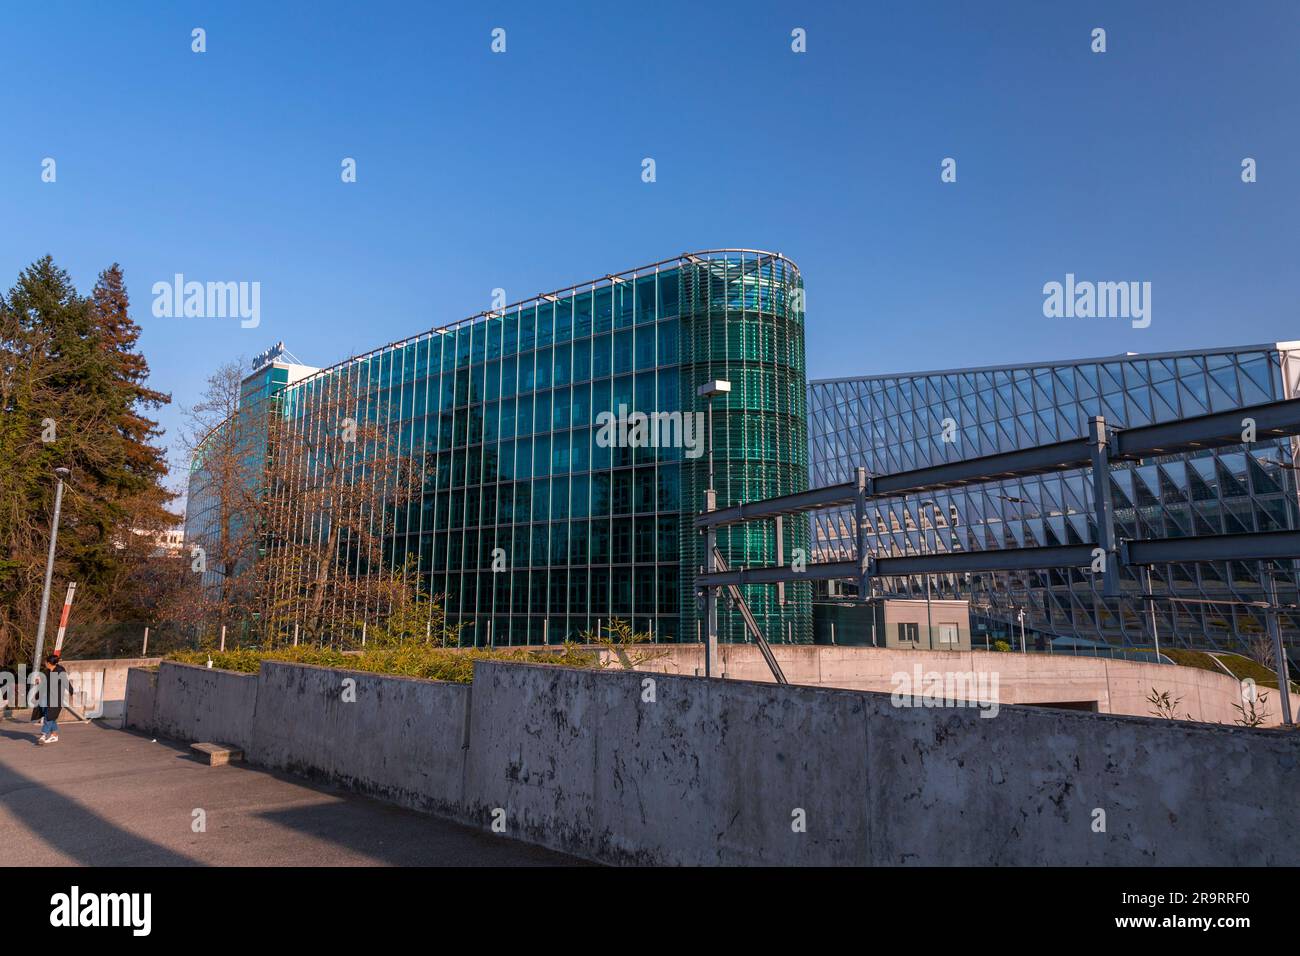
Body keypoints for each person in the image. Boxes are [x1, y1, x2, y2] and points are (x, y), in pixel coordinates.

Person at [37, 654, 69, 744]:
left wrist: (72, 692)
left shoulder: (59, 671)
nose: (45, 663)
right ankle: (54, 735)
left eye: (46, 662)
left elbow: (65, 683)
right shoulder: (49, 670)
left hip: (56, 698)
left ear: (49, 663)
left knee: (48, 717)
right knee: (51, 717)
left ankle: (43, 736)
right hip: (47, 697)